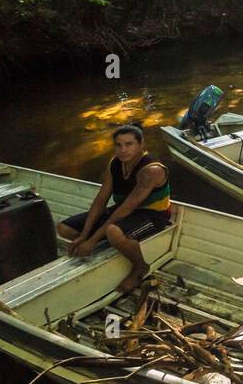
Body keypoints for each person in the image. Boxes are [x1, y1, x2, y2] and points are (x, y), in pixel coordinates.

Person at [57, 124, 172, 292]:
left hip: (153, 215)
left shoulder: (151, 171)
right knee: (64, 228)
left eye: (129, 144)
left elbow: (126, 209)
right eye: (118, 145)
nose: (123, 150)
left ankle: (140, 266)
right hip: (122, 210)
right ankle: (113, 241)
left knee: (113, 230)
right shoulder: (115, 164)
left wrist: (92, 240)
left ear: (141, 145)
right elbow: (101, 199)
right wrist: (84, 235)